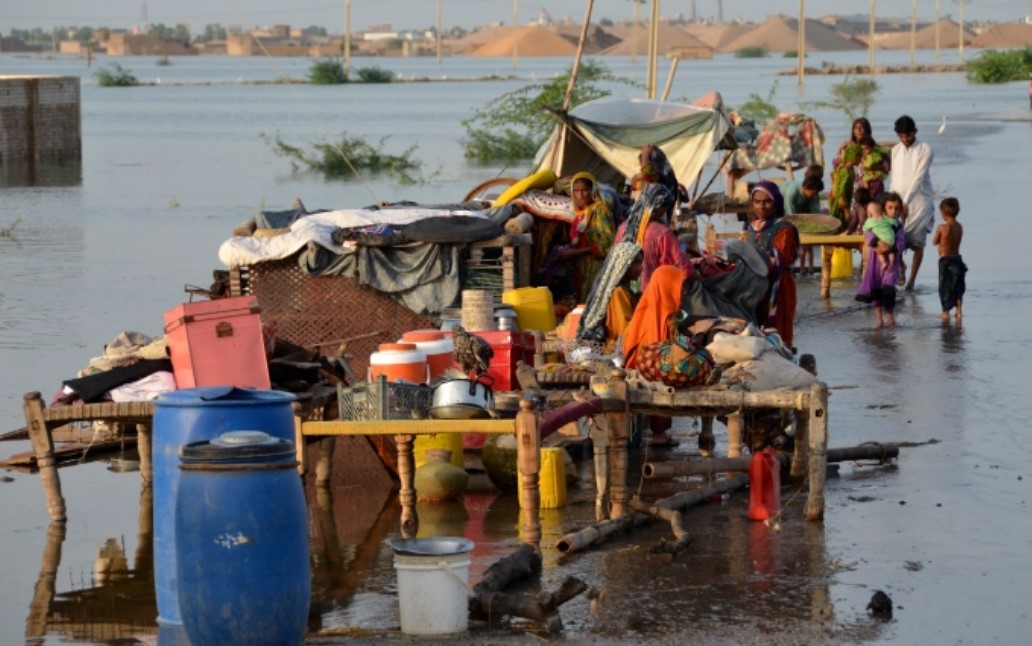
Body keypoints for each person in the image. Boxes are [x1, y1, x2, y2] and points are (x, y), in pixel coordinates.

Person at [741, 181, 800, 349]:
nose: (761, 206)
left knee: (778, 329)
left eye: (767, 201)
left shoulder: (784, 228)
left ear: (776, 203)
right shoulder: (749, 226)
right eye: (757, 202)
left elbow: (780, 258)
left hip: (778, 287)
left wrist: (749, 254)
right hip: (755, 285)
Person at [615, 182, 692, 293]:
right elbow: (682, 268)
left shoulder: (622, 228)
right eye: (665, 208)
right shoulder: (662, 233)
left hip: (626, 291)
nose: (664, 212)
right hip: (654, 294)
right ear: (659, 207)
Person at [890, 114, 935, 292]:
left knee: (917, 243)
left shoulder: (925, 149)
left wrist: (906, 202)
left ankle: (911, 282)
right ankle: (900, 267)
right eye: (901, 136)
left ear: (915, 132)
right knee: (895, 240)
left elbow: (919, 177)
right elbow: (894, 178)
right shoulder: (895, 150)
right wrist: (894, 202)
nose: (905, 139)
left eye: (908, 135)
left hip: (920, 202)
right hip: (898, 202)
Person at [856, 192, 906, 328]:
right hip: (875, 262)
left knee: (889, 288)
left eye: (896, 208)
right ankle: (879, 319)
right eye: (890, 207)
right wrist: (877, 243)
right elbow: (867, 233)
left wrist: (894, 247)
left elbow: (902, 241)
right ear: (883, 208)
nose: (893, 211)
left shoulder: (898, 226)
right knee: (876, 290)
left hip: (891, 262)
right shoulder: (876, 221)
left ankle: (890, 316)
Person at [564, 171, 616, 302]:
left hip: (595, 270)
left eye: (584, 190)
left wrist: (577, 253)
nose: (580, 195)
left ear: (592, 190)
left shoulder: (600, 211)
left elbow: (607, 245)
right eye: (576, 191)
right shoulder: (579, 215)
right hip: (580, 270)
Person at [932, 197, 967, 321]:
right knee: (958, 285)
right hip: (957, 259)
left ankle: (945, 311)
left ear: (943, 213)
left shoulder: (942, 227)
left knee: (945, 286)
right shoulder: (960, 227)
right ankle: (958, 311)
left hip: (945, 260)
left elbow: (934, 242)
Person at [862, 200, 901, 273]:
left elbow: (864, 229)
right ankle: (892, 262)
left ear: (869, 214)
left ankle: (884, 263)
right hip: (891, 240)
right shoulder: (886, 218)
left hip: (881, 240)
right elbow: (895, 223)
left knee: (879, 253)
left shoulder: (870, 221)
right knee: (891, 252)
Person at [829, 143, 861, 228]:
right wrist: (846, 211)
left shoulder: (850, 170)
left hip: (846, 203)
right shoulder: (845, 172)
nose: (861, 159)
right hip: (840, 207)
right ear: (854, 156)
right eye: (859, 156)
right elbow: (841, 192)